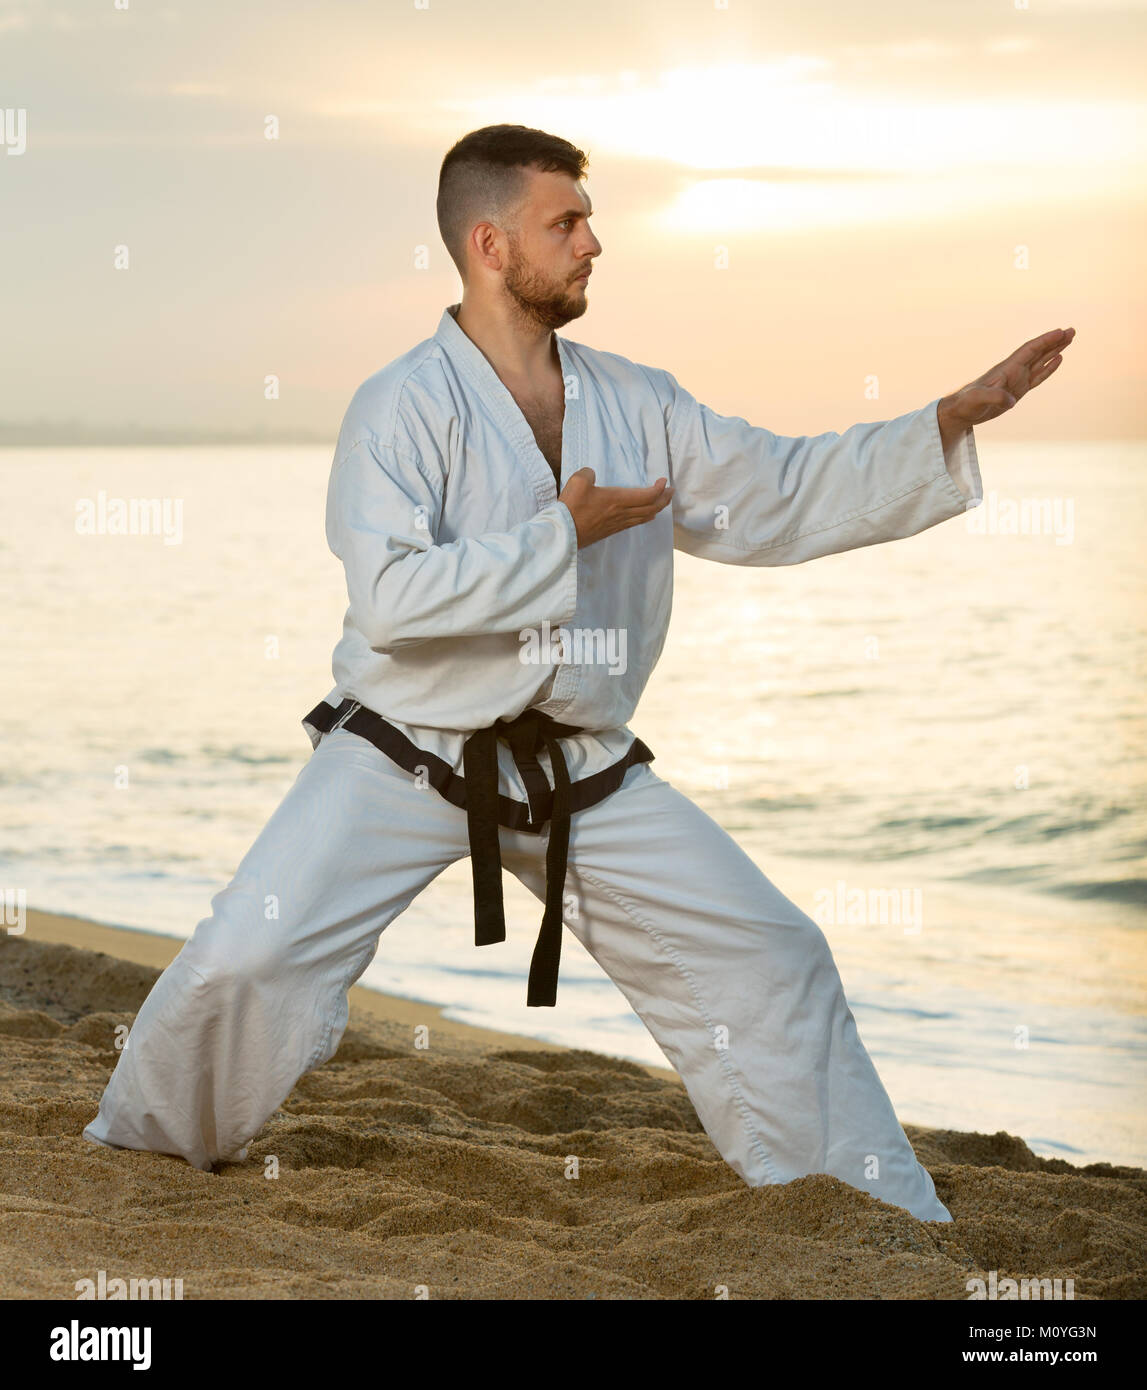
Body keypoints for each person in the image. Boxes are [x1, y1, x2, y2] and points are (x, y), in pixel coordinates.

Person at [83, 124, 1075, 1224]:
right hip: (407, 748)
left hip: (578, 767)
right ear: (490, 243)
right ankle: (141, 1154)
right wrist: (563, 534)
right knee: (247, 956)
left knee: (771, 949)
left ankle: (856, 1207)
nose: (594, 243)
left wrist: (942, 421)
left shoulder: (637, 402)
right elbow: (392, 601)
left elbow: (781, 490)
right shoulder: (400, 407)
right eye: (567, 222)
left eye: (589, 221)